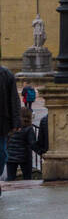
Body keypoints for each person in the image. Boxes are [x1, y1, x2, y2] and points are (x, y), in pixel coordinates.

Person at [0, 64, 21, 194]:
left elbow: (14, 99)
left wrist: (16, 121)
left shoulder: (6, 74)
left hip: (1, 122)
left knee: (1, 153)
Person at [5, 108, 36, 181]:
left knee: (10, 178)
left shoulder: (12, 126)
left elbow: (6, 139)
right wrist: (41, 151)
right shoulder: (29, 128)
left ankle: (10, 191)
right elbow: (32, 143)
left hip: (10, 156)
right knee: (27, 178)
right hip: (25, 157)